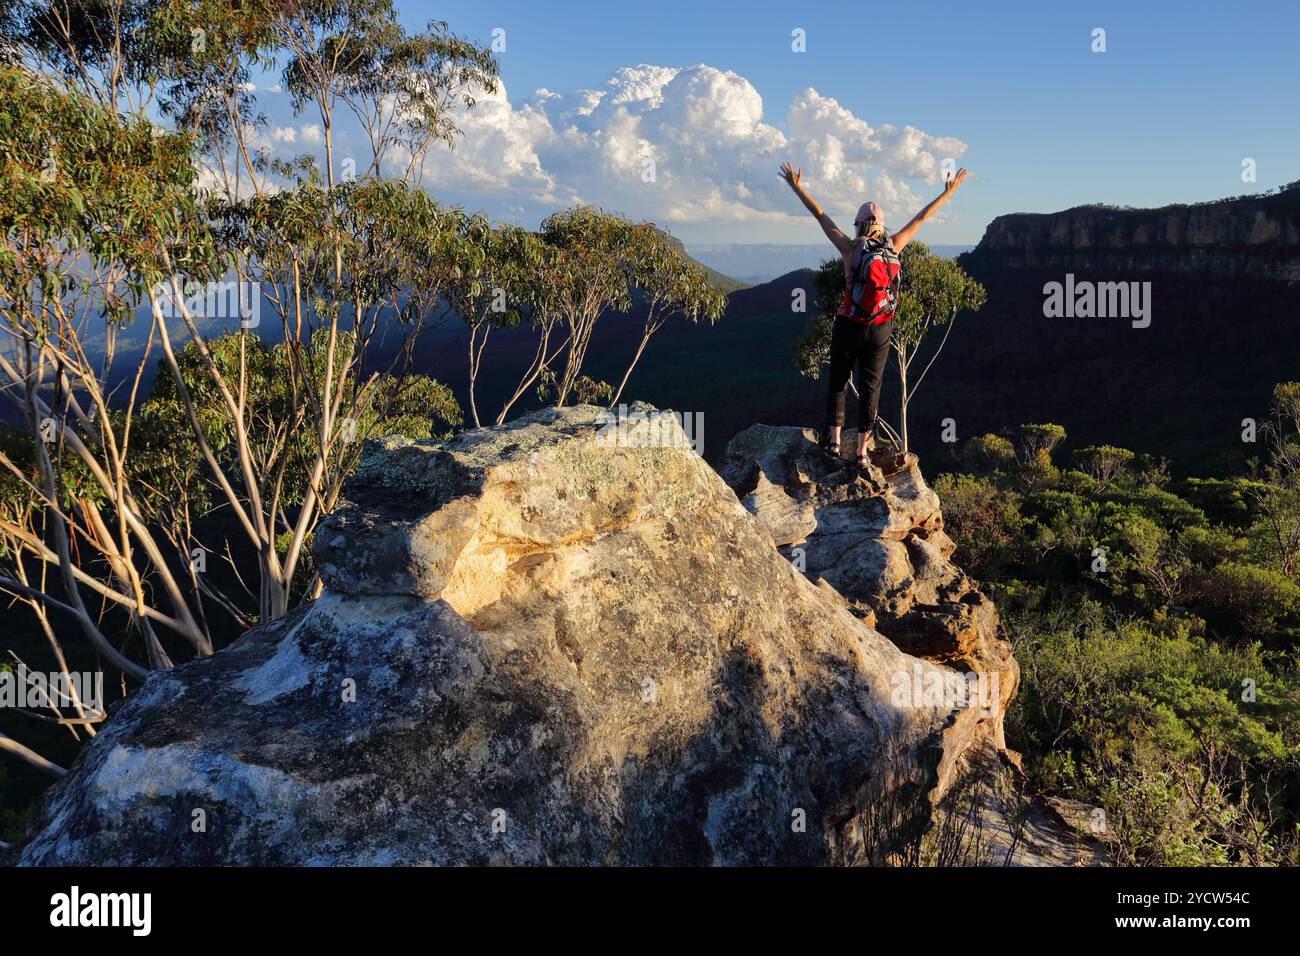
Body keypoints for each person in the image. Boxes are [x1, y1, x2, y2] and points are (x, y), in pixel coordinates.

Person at [780, 161, 969, 467]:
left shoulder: (851, 248)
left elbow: (820, 216)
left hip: (849, 323)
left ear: (859, 224)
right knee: (871, 388)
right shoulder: (894, 245)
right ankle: (862, 451)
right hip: (881, 327)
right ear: (881, 224)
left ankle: (835, 443)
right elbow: (922, 217)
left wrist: (797, 186)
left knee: (839, 381)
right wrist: (948, 193)